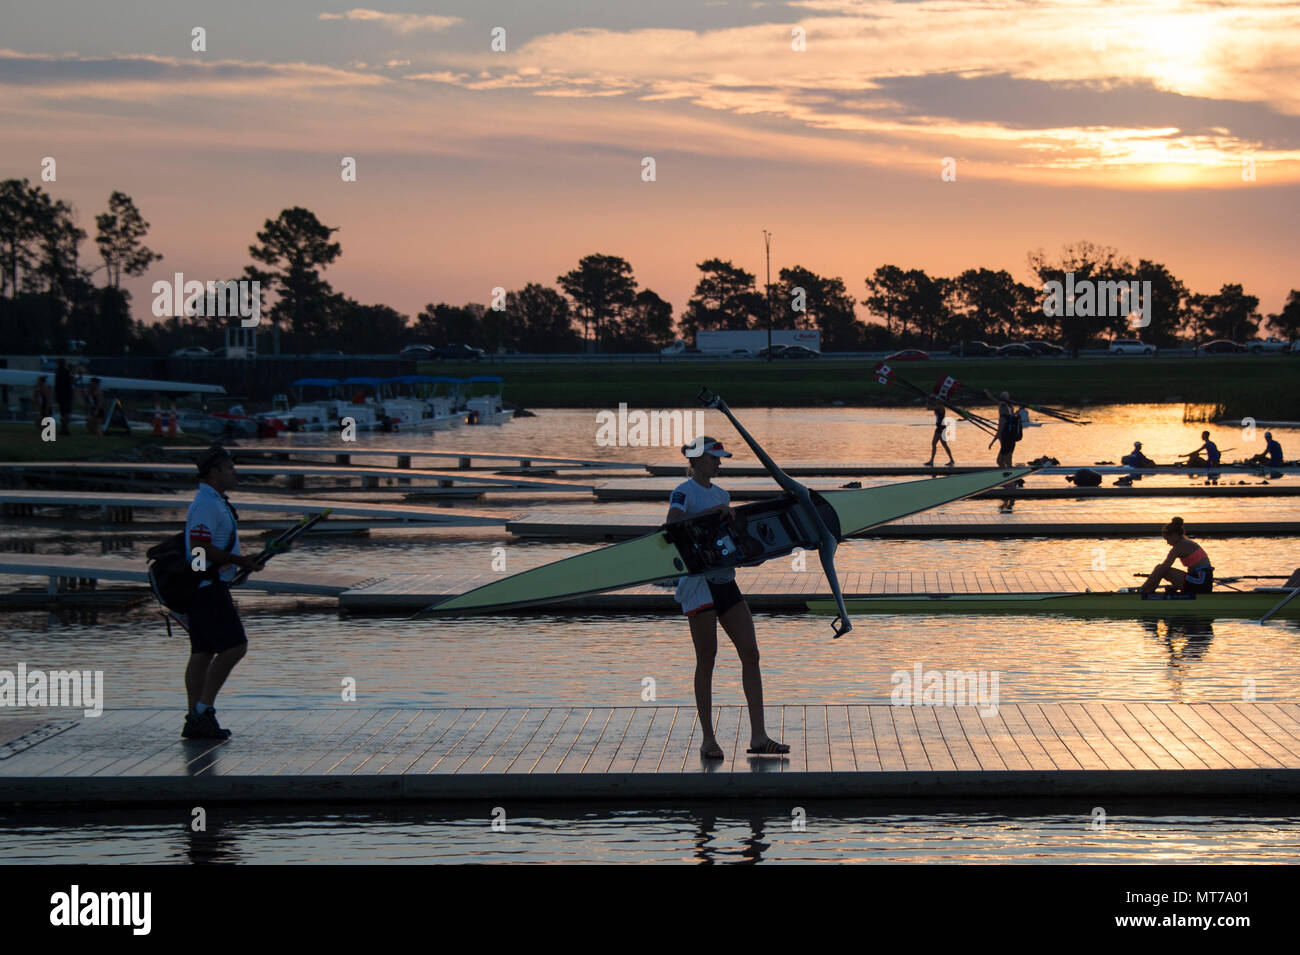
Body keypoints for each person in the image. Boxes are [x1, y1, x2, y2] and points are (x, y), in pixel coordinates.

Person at [667, 436, 788, 759]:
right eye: (714, 458)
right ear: (698, 460)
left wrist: (752, 552)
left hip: (725, 580)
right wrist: (713, 514)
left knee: (751, 653)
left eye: (720, 458)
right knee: (707, 659)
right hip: (698, 584)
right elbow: (673, 524)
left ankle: (759, 736)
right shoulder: (683, 491)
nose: (719, 463)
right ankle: (708, 739)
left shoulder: (723, 494)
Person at [182, 445, 265, 740]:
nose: (235, 472)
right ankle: (204, 710)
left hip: (206, 586)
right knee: (235, 647)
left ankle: (196, 719)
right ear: (214, 472)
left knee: (203, 652)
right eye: (229, 467)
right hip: (206, 589)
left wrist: (233, 570)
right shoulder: (207, 504)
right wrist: (237, 562)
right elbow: (199, 548)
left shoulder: (213, 501)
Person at [1139, 516, 1213, 594]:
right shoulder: (1186, 542)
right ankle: (1147, 591)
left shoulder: (1180, 546)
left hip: (1200, 584)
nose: (1167, 543)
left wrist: (1147, 584)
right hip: (1200, 580)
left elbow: (1164, 568)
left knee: (1162, 569)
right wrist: (1175, 586)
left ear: (1174, 535)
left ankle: (1144, 591)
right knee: (1160, 568)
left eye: (1167, 539)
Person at [924, 397, 954, 467]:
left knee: (941, 445)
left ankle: (951, 460)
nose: (937, 400)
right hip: (939, 428)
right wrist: (930, 400)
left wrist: (928, 400)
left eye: (938, 400)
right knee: (936, 444)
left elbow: (928, 408)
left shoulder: (940, 407)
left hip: (941, 428)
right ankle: (931, 461)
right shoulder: (937, 406)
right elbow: (930, 407)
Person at [54, 359, 73, 435]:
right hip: (67, 394)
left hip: (60, 394)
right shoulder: (66, 372)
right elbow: (71, 381)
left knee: (62, 412)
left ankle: (62, 428)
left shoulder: (57, 372)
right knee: (67, 412)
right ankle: (64, 428)